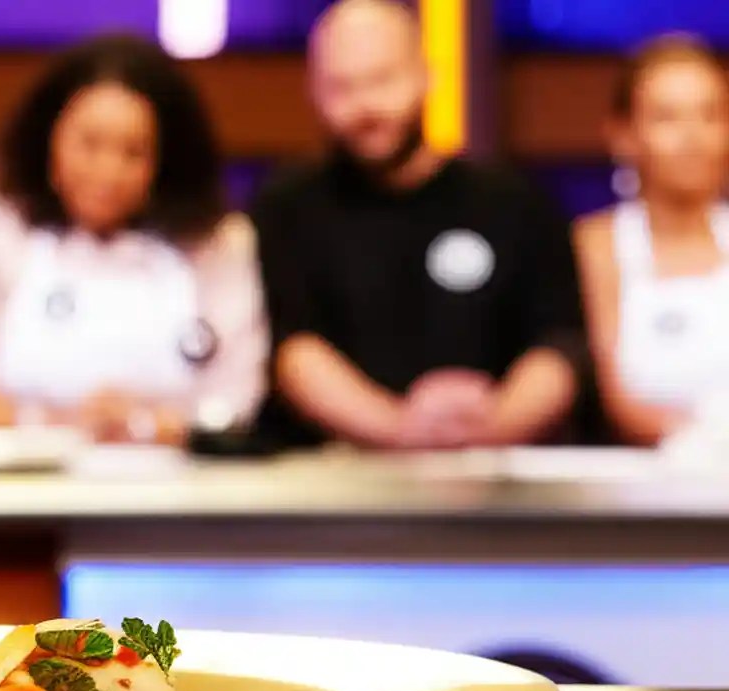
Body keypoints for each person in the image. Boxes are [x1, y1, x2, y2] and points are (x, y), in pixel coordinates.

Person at [0, 35, 268, 445]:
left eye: (133, 152)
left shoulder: (217, 238)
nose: (108, 172)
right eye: (89, 145)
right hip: (11, 489)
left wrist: (144, 426)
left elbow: (232, 405)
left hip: (176, 492)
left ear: (164, 161)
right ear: (48, 141)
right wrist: (64, 423)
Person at [252, 0, 584, 448]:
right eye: (341, 87)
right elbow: (294, 351)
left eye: (383, 79)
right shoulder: (286, 208)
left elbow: (558, 346)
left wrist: (495, 425)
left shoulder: (513, 203)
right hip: (334, 476)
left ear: (428, 74)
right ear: (313, 91)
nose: (366, 105)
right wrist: (401, 430)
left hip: (497, 475)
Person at [575, 35, 729, 446]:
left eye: (711, 115)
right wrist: (705, 441)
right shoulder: (593, 246)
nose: (692, 136)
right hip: (638, 493)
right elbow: (618, 404)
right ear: (624, 135)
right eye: (667, 117)